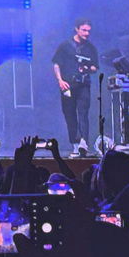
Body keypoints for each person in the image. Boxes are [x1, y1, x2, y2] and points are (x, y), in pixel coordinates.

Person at [52, 19, 99, 155]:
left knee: (83, 113)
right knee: (69, 114)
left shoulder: (90, 48)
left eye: (89, 31)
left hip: (83, 85)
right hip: (67, 85)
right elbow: (56, 64)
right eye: (84, 30)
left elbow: (95, 66)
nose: (86, 33)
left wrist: (88, 68)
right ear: (77, 29)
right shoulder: (65, 46)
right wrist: (60, 80)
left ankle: (84, 141)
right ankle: (75, 143)